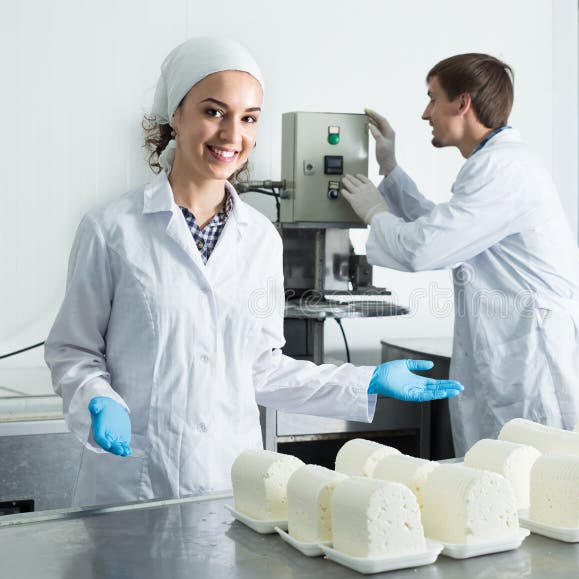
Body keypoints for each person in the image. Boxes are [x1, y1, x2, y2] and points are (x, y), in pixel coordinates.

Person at [44, 36, 462, 508]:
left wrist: (363, 381)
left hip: (226, 485)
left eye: (248, 118)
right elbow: (73, 350)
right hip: (131, 484)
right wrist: (96, 399)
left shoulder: (260, 238)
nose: (231, 135)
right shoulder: (112, 229)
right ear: (176, 116)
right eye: (213, 112)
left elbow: (261, 369)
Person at [340, 53, 579, 457]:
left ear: (462, 103)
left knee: (547, 491)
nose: (425, 113)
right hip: (514, 364)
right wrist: (391, 171)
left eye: (433, 98)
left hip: (538, 372)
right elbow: (447, 228)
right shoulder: (495, 167)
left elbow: (425, 248)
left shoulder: (504, 169)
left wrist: (375, 211)